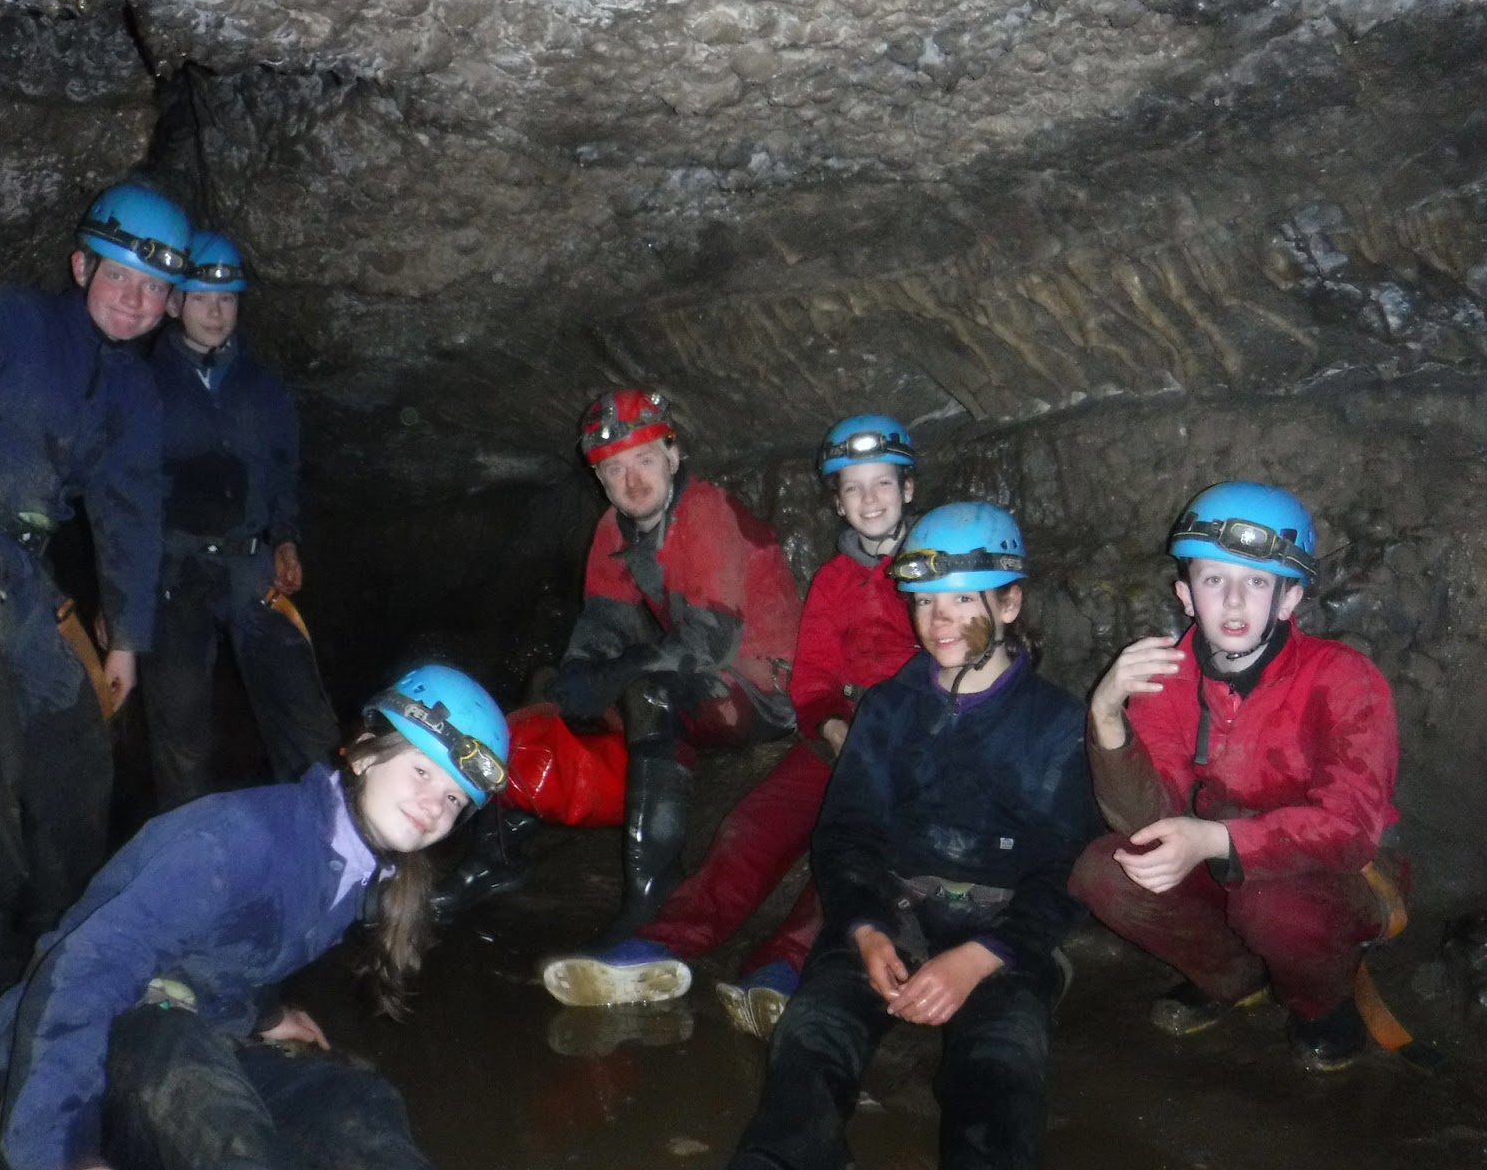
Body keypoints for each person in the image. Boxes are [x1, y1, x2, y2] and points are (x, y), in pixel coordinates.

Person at [0, 662, 510, 1170]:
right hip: (69, 1048)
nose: (433, 805)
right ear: (365, 754)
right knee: (231, 1135)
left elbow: (232, 950)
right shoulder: (243, 839)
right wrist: (58, 1152)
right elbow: (82, 973)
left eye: (454, 798)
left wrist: (266, 1015)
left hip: (188, 1025)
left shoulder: (356, 870)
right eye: (422, 770)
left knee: (357, 1106)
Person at [0, 181, 188, 1025]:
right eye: (119, 276)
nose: (134, 300)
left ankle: (59, 951)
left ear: (170, 303)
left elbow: (132, 511)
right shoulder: (8, 322)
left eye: (154, 289)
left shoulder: (133, 395)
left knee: (76, 740)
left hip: (21, 564)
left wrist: (127, 637)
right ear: (81, 264)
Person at [727, 502, 1099, 1170]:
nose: (940, 622)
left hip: (1004, 928)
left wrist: (982, 956)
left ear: (1011, 601)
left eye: (962, 601)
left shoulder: (1058, 724)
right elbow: (847, 832)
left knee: (1001, 1061)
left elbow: (1066, 868)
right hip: (895, 908)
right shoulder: (891, 706)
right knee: (812, 1034)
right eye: (926, 602)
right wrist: (865, 928)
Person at [541, 414, 922, 1032]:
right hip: (839, 733)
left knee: (853, 857)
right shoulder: (832, 579)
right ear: (837, 500)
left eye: (881, 484)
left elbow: (965, 662)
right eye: (853, 487)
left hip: (911, 748)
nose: (868, 499)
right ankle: (659, 945)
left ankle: (785, 966)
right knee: (751, 827)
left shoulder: (939, 567)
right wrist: (828, 726)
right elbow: (816, 676)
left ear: (907, 489)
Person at [434, 388, 802, 949]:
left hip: (764, 686)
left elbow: (708, 642)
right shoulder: (613, 528)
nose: (631, 483)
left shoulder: (707, 511)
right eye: (613, 471)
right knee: (544, 688)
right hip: (702, 678)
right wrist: (573, 679)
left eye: (644, 461)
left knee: (650, 694)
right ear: (600, 481)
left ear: (673, 456)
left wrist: (614, 676)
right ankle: (497, 858)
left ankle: (653, 898)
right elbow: (601, 629)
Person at [1068, 481, 1401, 1072]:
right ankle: (1232, 977)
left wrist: (1220, 840)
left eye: (1257, 582)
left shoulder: (1343, 678)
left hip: (1327, 880)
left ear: (1287, 600)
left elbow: (1351, 831)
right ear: (1186, 594)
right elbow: (1144, 821)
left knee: (1271, 904)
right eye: (1214, 579)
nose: (1234, 601)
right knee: (1107, 870)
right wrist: (1106, 714)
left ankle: (1320, 1004)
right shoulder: (1166, 677)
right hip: (1219, 863)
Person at [139, 230, 340, 810]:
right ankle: (188, 853)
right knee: (179, 731)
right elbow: (123, 491)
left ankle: (326, 837)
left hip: (250, 563)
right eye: (202, 297)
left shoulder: (265, 387)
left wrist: (287, 539)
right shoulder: (143, 385)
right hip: (173, 568)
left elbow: (283, 470)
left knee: (302, 710)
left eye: (226, 299)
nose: (215, 311)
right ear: (175, 303)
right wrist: (122, 592)